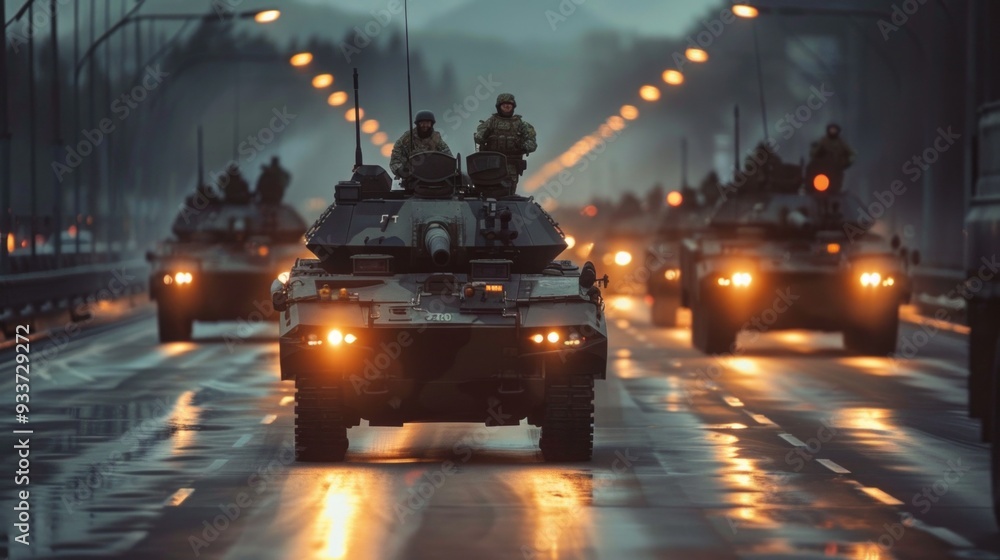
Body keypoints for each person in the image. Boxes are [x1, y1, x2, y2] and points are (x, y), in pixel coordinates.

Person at [474, 93, 537, 190]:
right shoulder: (491, 122)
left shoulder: (521, 124)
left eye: (509, 105)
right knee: (489, 190)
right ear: (499, 107)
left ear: (513, 107)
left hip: (511, 165)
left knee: (508, 193)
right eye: (504, 105)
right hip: (492, 164)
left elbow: (532, 144)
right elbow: (478, 137)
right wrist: (485, 135)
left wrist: (522, 145)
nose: (507, 107)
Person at [389, 110, 452, 178]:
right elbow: (395, 158)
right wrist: (401, 170)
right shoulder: (407, 138)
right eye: (422, 123)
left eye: (428, 123)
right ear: (417, 124)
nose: (425, 126)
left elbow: (448, 157)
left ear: (431, 124)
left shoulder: (436, 139)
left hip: (434, 177)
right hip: (411, 177)